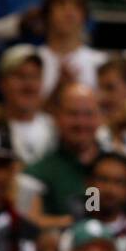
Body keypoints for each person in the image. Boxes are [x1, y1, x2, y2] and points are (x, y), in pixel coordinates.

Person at [19, 82, 100, 225]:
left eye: (88, 114)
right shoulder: (36, 172)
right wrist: (81, 224)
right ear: (56, 117)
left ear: (100, 117)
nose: (81, 123)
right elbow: (27, 220)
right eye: (73, 114)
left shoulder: (117, 167)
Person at [35, 0, 104, 101]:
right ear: (47, 14)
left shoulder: (100, 62)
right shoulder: (32, 59)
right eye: (61, 4)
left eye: (76, 6)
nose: (69, 12)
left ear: (84, 15)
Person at [0, 44, 56, 166]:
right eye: (20, 76)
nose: (29, 85)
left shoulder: (55, 129)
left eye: (34, 77)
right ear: (3, 82)